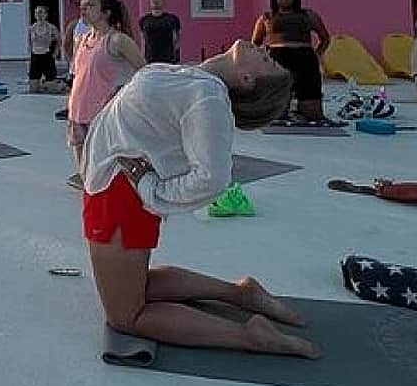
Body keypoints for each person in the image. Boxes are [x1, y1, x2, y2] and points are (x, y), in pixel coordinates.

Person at [78, 39, 318, 358]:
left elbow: (213, 178)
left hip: (119, 197)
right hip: (111, 188)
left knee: (126, 316)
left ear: (247, 79)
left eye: (268, 62)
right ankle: (241, 293)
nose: (266, 52)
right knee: (140, 286)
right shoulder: (196, 77)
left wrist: (151, 190)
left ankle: (249, 336)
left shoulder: (208, 97)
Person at [67, 0, 146, 166]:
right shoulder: (82, 39)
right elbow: (79, 76)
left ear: (106, 12)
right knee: (86, 174)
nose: (83, 9)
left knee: (106, 170)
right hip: (77, 113)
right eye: (82, 6)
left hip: (104, 116)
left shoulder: (118, 40)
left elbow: (144, 72)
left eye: (90, 5)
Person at [251, 0, 331, 124]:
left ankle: (302, 108)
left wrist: (318, 54)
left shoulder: (309, 15)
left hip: (304, 59)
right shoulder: (266, 18)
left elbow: (324, 38)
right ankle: (283, 108)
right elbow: (255, 43)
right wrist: (261, 60)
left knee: (313, 114)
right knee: (277, 113)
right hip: (277, 60)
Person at [56, 13, 94, 119]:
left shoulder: (97, 24)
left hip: (92, 62)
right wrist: (70, 60)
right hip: (77, 62)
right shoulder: (75, 24)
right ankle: (71, 108)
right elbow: (67, 43)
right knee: (75, 87)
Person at [138, 0, 182, 64]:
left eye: (158, 0)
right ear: (150, 3)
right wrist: (142, 58)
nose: (156, 2)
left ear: (163, 2)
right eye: (153, 0)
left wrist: (177, 58)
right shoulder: (144, 20)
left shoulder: (172, 19)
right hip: (150, 59)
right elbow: (143, 39)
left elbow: (177, 39)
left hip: (169, 59)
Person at [28, 6, 62, 92]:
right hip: (35, 57)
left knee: (52, 89)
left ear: (46, 15)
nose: (39, 15)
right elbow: (29, 42)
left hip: (47, 56)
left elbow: (59, 40)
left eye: (41, 12)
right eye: (37, 13)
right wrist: (30, 52)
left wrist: (56, 52)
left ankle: (61, 84)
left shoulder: (51, 28)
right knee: (33, 89)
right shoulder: (32, 28)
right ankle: (42, 84)